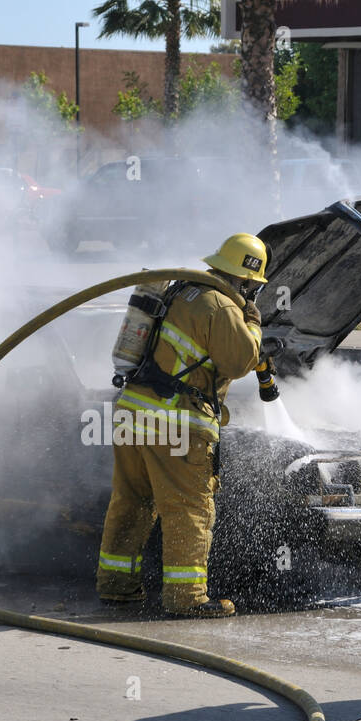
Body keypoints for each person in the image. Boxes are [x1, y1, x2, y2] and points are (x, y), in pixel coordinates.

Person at [95, 233, 266, 618]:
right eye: (254, 286)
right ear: (247, 279)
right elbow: (241, 362)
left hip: (132, 414)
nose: (254, 293)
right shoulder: (220, 305)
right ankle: (186, 597)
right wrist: (253, 325)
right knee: (189, 507)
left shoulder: (179, 291)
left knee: (131, 503)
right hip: (176, 424)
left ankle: (117, 587)